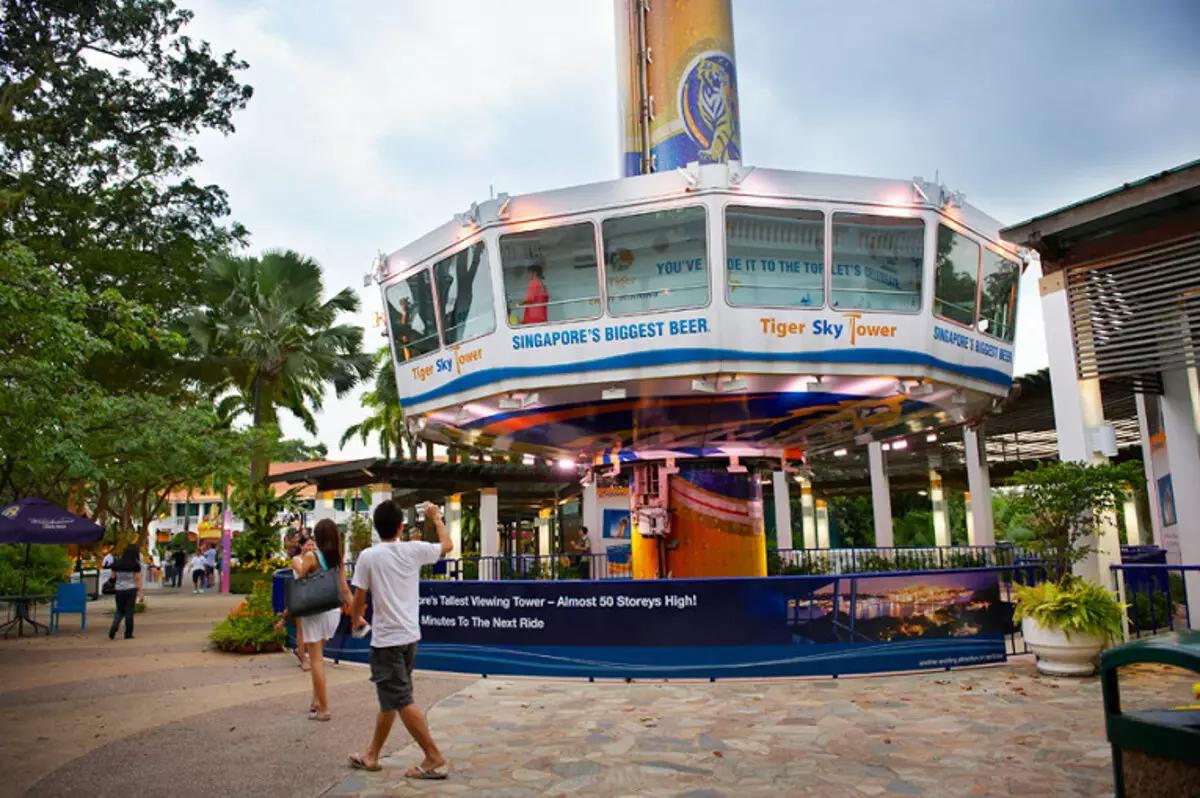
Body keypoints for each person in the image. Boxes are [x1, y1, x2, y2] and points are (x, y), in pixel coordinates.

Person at [348, 501, 452, 779]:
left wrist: (356, 619)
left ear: (375, 526)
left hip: (386, 640)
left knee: (400, 697)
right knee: (391, 697)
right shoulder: (414, 550)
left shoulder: (368, 557)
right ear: (400, 527)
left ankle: (432, 755)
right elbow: (447, 545)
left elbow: (359, 598)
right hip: (409, 636)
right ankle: (372, 754)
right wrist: (436, 517)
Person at [292, 520, 352, 721]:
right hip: (332, 612)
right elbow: (344, 588)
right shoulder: (337, 558)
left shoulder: (311, 556)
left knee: (315, 659)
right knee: (319, 655)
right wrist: (357, 612)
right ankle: (316, 701)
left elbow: (300, 580)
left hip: (314, 611)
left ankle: (324, 708)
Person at [276, 535, 318, 670]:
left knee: (315, 628)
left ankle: (305, 653)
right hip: (301, 595)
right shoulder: (296, 559)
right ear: (301, 546)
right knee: (301, 629)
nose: (311, 548)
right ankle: (303, 659)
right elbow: (302, 573)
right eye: (308, 545)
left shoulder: (316, 558)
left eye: (313, 545)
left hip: (314, 595)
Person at [108, 545, 143, 640]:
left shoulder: (117, 563)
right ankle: (128, 633)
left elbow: (113, 577)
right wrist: (141, 594)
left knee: (119, 610)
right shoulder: (135, 565)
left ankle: (114, 626)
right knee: (129, 612)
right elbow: (138, 579)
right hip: (131, 589)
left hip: (119, 589)